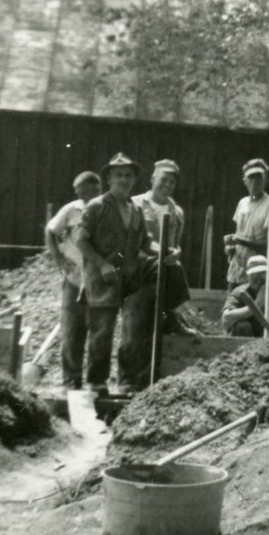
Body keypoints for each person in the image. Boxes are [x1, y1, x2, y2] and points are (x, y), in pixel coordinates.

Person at [74, 153, 154, 393]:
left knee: (132, 331)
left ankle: (126, 381)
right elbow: (80, 240)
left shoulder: (136, 209)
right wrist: (102, 264)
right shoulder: (97, 206)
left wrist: (167, 251)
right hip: (102, 279)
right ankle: (96, 383)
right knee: (101, 332)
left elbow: (146, 244)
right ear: (108, 178)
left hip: (129, 280)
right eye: (118, 175)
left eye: (128, 175)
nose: (124, 180)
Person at [45, 171, 102, 389]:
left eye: (93, 190)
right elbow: (51, 231)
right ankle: (71, 379)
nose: (86, 195)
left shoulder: (106, 209)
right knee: (71, 330)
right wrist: (59, 258)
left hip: (97, 280)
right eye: (82, 191)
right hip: (74, 279)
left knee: (97, 332)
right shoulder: (71, 210)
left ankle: (95, 381)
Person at [132, 159, 198, 337]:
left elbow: (176, 245)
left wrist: (177, 253)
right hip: (138, 268)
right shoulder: (135, 204)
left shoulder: (176, 212)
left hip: (164, 270)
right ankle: (170, 317)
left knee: (172, 268)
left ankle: (170, 318)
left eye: (172, 182)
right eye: (164, 180)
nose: (167, 185)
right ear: (153, 179)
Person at [225, 159, 269, 291]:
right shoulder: (242, 203)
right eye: (251, 177)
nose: (255, 181)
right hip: (236, 270)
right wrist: (230, 247)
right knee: (230, 308)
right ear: (244, 180)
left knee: (252, 310)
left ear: (266, 180)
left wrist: (240, 241)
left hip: (257, 273)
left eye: (259, 177)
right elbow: (238, 234)